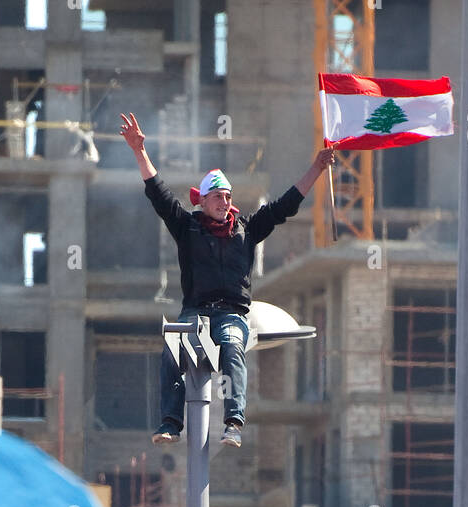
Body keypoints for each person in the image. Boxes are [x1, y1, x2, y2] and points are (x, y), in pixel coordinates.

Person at [120, 111, 335, 449]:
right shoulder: (187, 228)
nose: (225, 202)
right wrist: (138, 151)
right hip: (195, 311)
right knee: (173, 348)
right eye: (218, 196)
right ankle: (170, 423)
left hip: (232, 314)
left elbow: (285, 206)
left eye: (228, 196)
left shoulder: (246, 230)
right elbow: (158, 194)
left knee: (234, 346)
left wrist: (317, 169)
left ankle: (234, 422)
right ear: (202, 200)